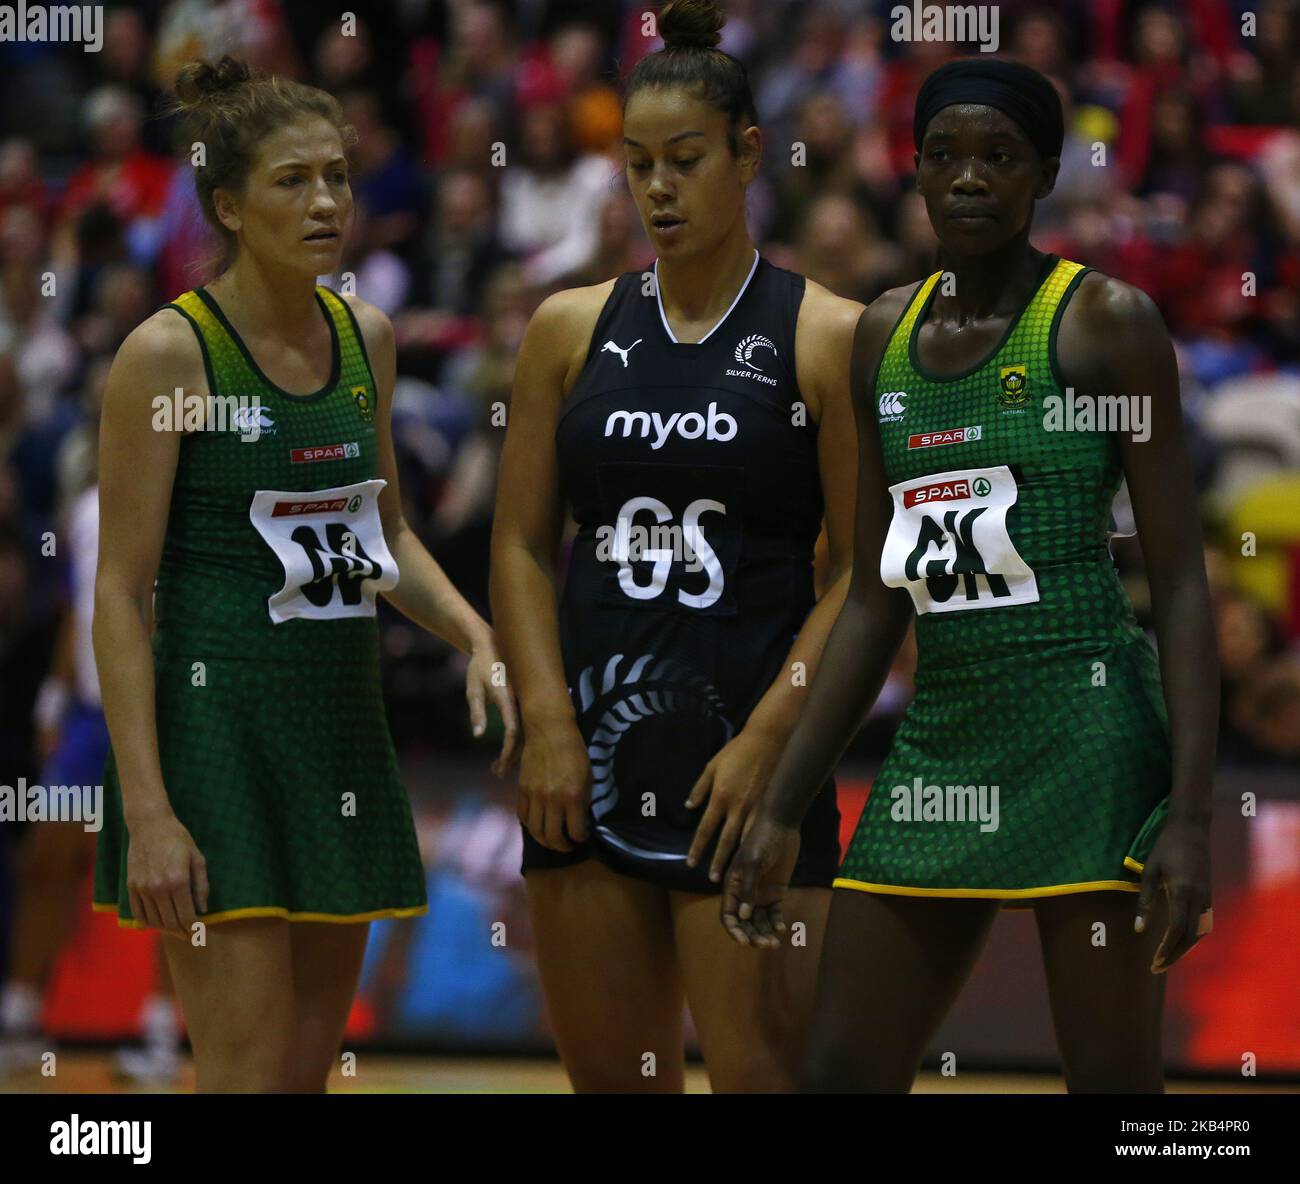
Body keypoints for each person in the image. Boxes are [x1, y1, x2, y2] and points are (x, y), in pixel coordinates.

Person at [723, 58, 1218, 1094]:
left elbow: (1176, 584)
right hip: (943, 737)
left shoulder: (1104, 322)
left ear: (1042, 173)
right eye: (944, 156)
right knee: (838, 1071)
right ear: (910, 170)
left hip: (1087, 732)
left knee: (1116, 1089)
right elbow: (870, 594)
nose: (968, 179)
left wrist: (1189, 809)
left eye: (998, 157)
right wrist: (783, 799)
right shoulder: (880, 338)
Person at [90, 56, 518, 1093]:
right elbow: (116, 591)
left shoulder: (366, 336)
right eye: (293, 180)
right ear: (230, 205)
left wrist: (479, 634)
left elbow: (385, 537)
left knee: (302, 1078)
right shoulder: (170, 355)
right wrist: (148, 808)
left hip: (337, 730)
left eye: (337, 175)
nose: (326, 200)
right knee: (239, 1077)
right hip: (215, 741)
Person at [489, 0, 862, 1092]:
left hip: (750, 773)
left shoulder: (826, 333)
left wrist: (772, 746)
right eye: (638, 163)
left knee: (764, 1076)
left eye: (684, 160)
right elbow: (518, 546)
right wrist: (547, 718)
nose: (657, 187)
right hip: (587, 761)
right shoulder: (566, 325)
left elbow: (858, 576)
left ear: (748, 153)